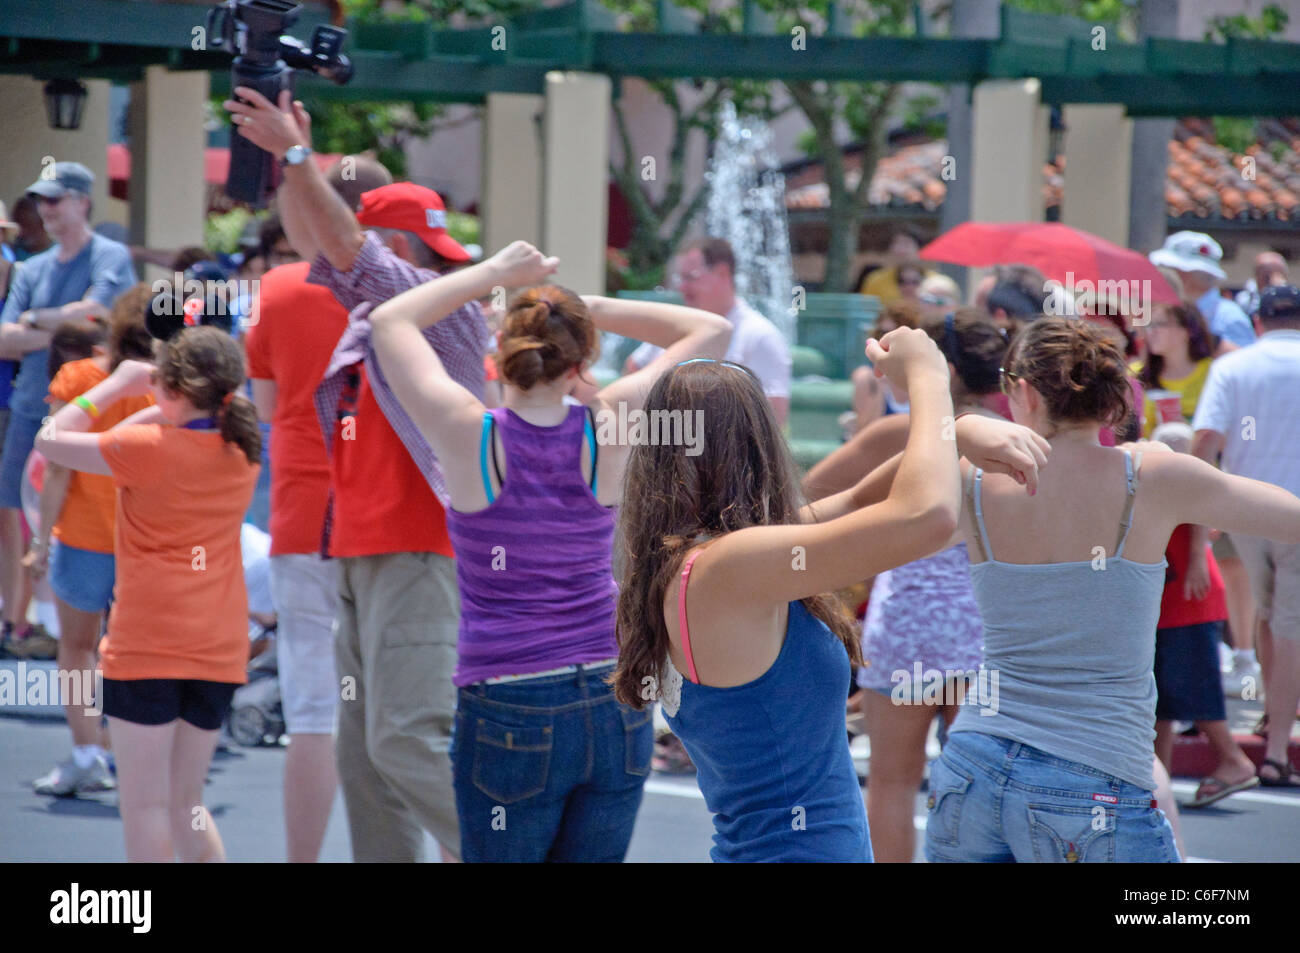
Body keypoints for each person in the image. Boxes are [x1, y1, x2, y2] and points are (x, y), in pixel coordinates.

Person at [612, 326, 1048, 862]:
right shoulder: (729, 568)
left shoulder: (705, 564)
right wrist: (929, 378)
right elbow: (925, 518)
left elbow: (862, 498)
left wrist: (955, 428)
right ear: (757, 447)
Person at [370, 240, 732, 862]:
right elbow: (711, 328)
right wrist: (580, 307)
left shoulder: (468, 433)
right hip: (612, 692)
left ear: (503, 352)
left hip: (509, 696)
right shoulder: (611, 420)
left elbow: (389, 321)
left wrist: (496, 275)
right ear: (579, 358)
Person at [226, 85, 489, 862]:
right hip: (365, 547)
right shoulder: (409, 293)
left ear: (392, 252)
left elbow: (339, 245)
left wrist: (298, 156)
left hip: (415, 547)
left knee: (404, 741)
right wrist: (292, 163)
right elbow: (322, 240)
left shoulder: (420, 297)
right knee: (365, 755)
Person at [927, 317, 1300, 863]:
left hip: (974, 761)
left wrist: (952, 429)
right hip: (1095, 772)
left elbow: (860, 516)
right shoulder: (1152, 476)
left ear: (1024, 392)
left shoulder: (972, 480)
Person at [34, 326, 261, 861]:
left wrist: (113, 387)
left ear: (176, 389)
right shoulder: (242, 451)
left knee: (145, 807)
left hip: (148, 646)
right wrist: (167, 399)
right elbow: (177, 422)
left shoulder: (144, 448)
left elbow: (50, 438)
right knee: (188, 804)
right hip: (218, 648)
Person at [806, 309, 1010, 863]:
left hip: (909, 624)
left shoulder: (901, 433)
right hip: (988, 625)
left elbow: (808, 493)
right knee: (979, 789)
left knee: (893, 784)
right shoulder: (1020, 435)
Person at [244, 155, 390, 863]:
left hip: (303, 515)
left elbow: (268, 410)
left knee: (311, 715)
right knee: (404, 716)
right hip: (394, 521)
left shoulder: (275, 288)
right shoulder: (411, 289)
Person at [0, 162, 136, 657]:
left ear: (83, 201)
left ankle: (96, 634)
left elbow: (101, 316)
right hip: (34, 404)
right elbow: (4, 338)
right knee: (17, 514)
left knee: (93, 513)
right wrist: (63, 324)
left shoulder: (110, 254)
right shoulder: (32, 268)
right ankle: (16, 623)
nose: (47, 211)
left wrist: (36, 323)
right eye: (42, 201)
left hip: (92, 406)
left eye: (56, 200)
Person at [26, 286, 154, 794]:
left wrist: (40, 542)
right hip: (147, 545)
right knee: (135, 655)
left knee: (77, 649)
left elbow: (55, 469)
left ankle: (87, 752)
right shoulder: (174, 386)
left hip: (83, 540)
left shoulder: (81, 380)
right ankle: (130, 753)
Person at [1192, 284, 1300, 786]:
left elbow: (1205, 441)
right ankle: (1277, 746)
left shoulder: (1232, 367)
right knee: (1289, 625)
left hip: (1247, 510)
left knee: (1268, 617)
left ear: (1258, 323)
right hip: (1294, 513)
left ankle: (1272, 717)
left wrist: (1195, 512)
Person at [1146, 422, 1258, 809]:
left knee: (1193, 690)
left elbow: (1202, 522)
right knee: (1162, 699)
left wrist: (1195, 560)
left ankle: (1233, 760)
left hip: (1189, 598)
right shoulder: (1169, 474)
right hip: (1174, 601)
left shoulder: (1181, 478)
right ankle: (1156, 778)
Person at [623, 238, 791, 425]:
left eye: (691, 277)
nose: (681, 287)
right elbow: (634, 366)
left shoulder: (760, 336)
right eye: (681, 278)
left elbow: (773, 417)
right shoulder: (677, 325)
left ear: (722, 273)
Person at [1149, 231, 1254, 351]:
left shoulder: (1230, 318)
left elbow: (1244, 364)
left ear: (1184, 275)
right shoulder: (1168, 312)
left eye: (1168, 269)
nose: (1162, 276)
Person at [1134, 302, 1216, 437]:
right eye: (1149, 325)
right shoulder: (1136, 374)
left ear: (1188, 330)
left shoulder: (1213, 373)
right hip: (1152, 456)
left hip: (1199, 457)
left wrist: (1186, 428)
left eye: (1160, 324)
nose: (1151, 332)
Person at [858, 229, 935, 305]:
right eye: (895, 243)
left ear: (920, 248)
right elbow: (865, 310)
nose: (899, 250)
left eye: (906, 244)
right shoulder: (875, 280)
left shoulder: (936, 282)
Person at [1235, 251, 1288, 317]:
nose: (1270, 279)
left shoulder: (1292, 298)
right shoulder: (1245, 299)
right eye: (1265, 274)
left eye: (1275, 273)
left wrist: (1280, 291)